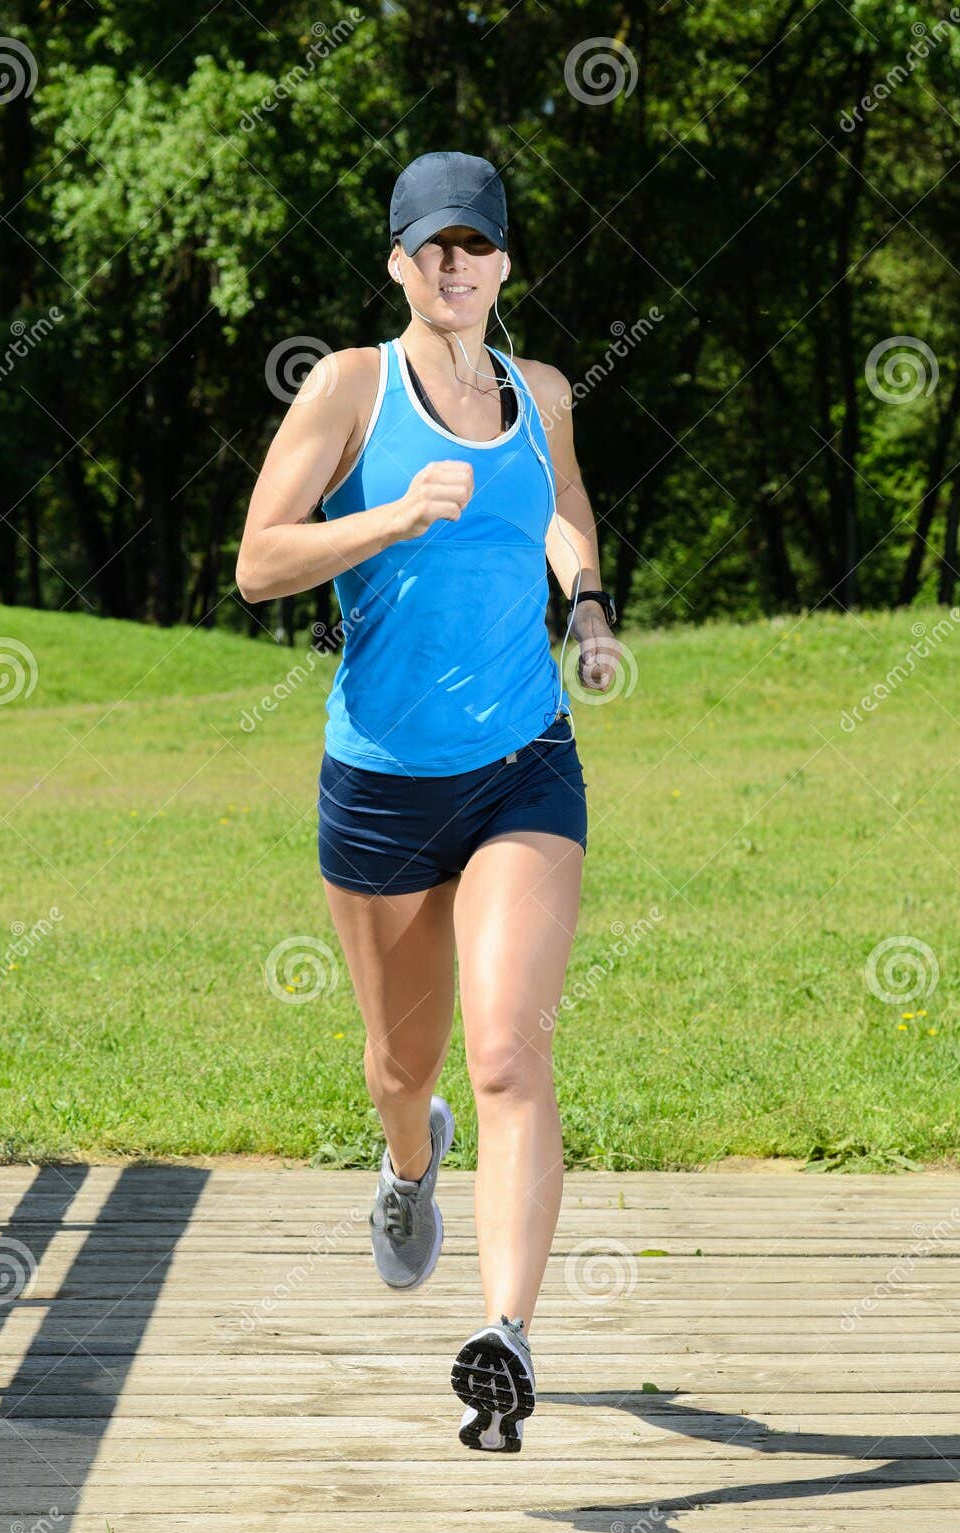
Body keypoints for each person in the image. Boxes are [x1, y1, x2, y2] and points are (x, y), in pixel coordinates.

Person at [236, 150, 616, 1453]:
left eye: (477, 244)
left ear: (506, 262)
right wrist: (388, 520)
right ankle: (410, 1164)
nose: (453, 265)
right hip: (384, 786)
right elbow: (257, 560)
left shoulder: (542, 391)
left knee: (510, 1050)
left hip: (523, 761)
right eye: (429, 247)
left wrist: (590, 602)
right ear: (399, 263)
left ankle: (505, 1334)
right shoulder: (349, 388)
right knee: (407, 1064)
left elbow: (562, 508)